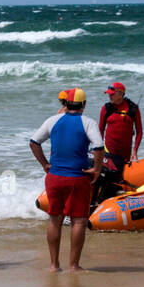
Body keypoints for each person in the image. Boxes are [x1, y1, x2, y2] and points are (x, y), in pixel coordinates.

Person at [30, 88, 104, 272]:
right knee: (78, 221)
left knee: (55, 220)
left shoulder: (52, 120)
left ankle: (54, 265)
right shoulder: (88, 123)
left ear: (65, 104)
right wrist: (96, 168)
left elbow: (34, 142)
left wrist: (45, 165)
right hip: (77, 178)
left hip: (54, 177)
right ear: (84, 105)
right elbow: (98, 146)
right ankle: (73, 265)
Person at [97, 81, 142, 201]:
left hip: (125, 153)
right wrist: (99, 150)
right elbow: (100, 130)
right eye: (109, 94)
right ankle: (100, 202)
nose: (109, 96)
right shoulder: (106, 108)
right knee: (108, 180)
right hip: (108, 150)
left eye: (112, 94)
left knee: (118, 181)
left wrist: (134, 152)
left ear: (121, 94)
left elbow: (139, 132)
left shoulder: (133, 109)